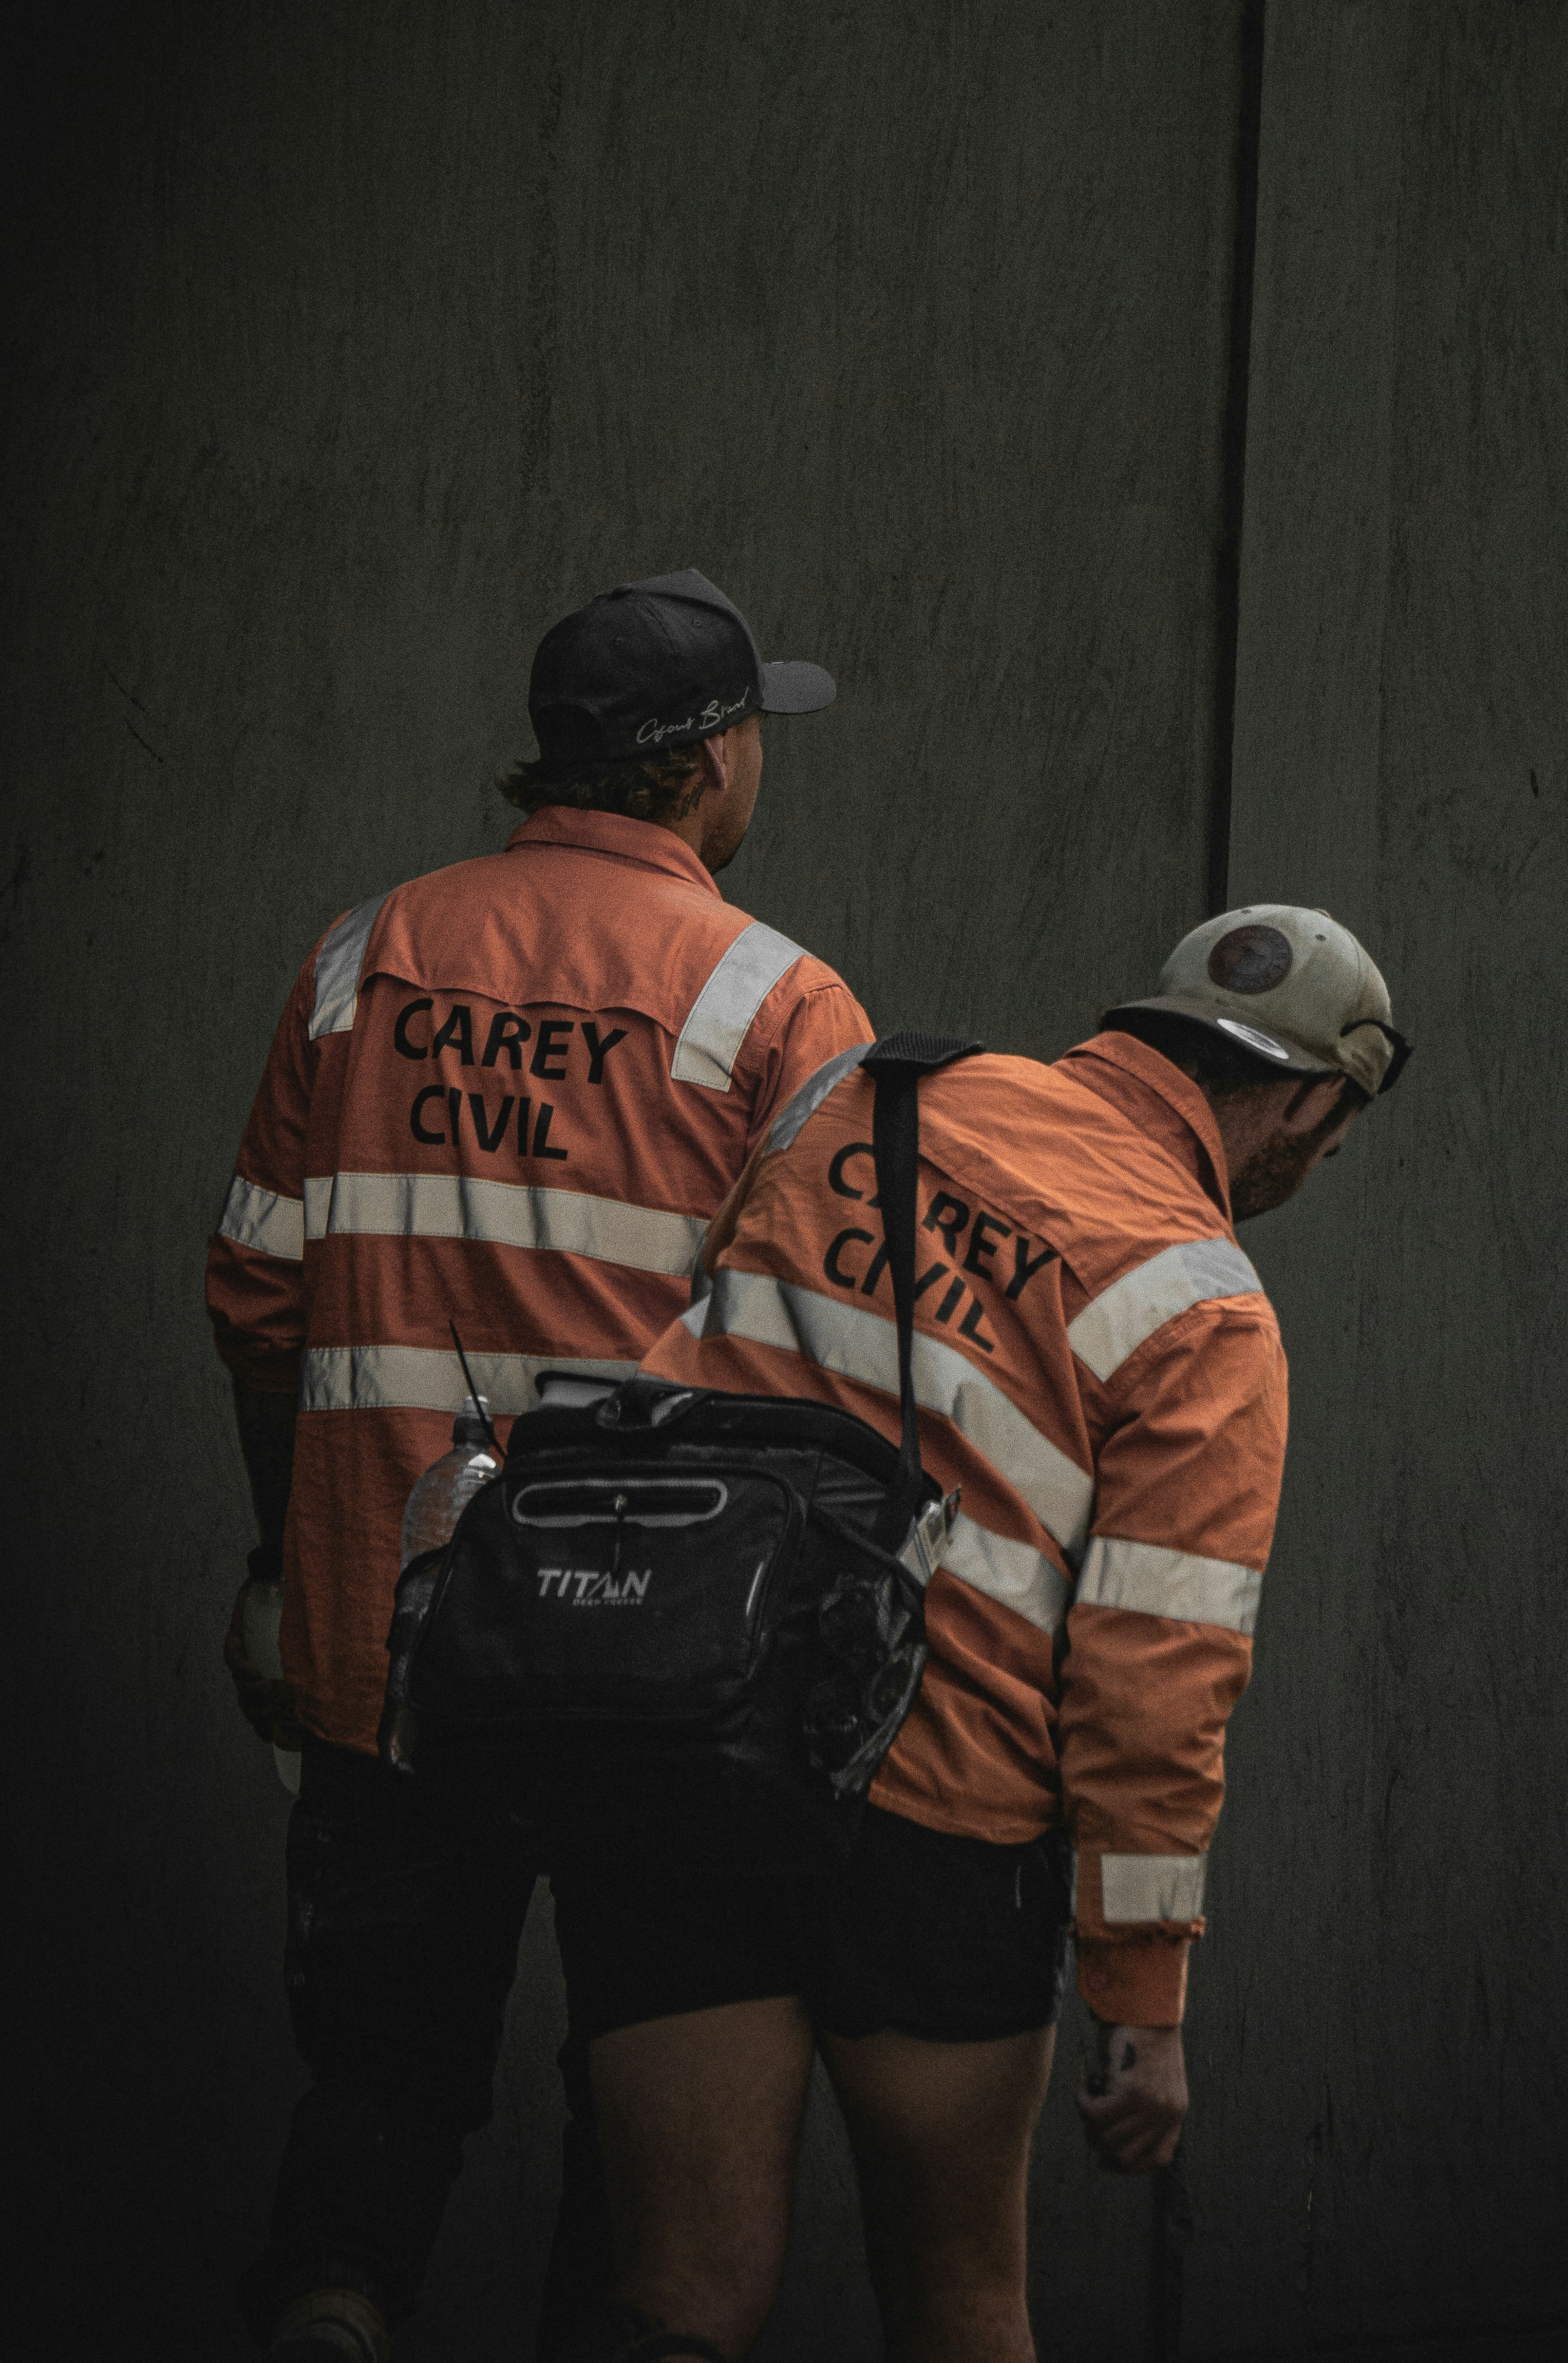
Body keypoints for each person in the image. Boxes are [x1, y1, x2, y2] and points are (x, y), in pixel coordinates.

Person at [548, 904, 1409, 2363]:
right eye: (1336, 1138)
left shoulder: (871, 1091)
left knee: (682, 2294)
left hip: (693, 1754)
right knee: (959, 2305)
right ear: (1317, 1098)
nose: (1324, 1166)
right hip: (936, 1825)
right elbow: (1156, 1681)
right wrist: (1142, 1994)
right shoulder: (1206, 1308)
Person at [207, 571, 874, 2363]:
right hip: (662, 1679)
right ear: (712, 762)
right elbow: (846, 1371)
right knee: (647, 2136)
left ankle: (332, 2320)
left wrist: (295, 1562)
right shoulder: (776, 1004)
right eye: (753, 734)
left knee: (379, 2089)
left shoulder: (361, 962)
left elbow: (259, 1298)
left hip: (389, 1651)